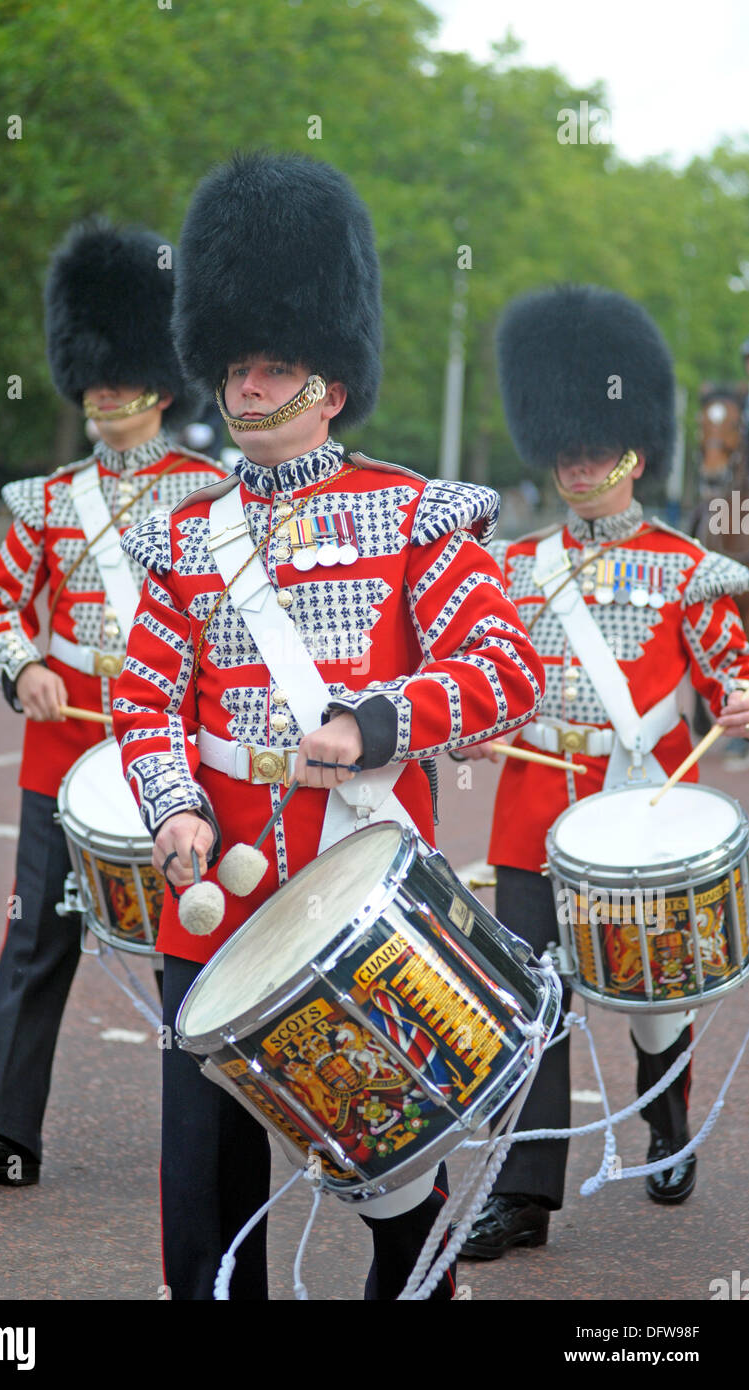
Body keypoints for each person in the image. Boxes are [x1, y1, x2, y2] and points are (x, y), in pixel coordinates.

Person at [112, 152, 546, 1300]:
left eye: (272, 370)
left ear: (330, 386)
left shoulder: (414, 513)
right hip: (219, 891)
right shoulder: (183, 536)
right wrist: (172, 811)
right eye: (235, 370)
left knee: (392, 1160)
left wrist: (374, 720)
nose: (244, 390)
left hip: (360, 880)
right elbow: (143, 696)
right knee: (204, 1174)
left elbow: (508, 669)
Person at [0, 217, 225, 1187]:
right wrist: (22, 669)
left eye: (118, 372)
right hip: (62, 756)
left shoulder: (210, 493)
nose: (101, 390)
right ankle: (3, 1133)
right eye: (89, 373)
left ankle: (225, 1139)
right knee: (35, 940)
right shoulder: (47, 500)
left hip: (171, 754)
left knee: (206, 939)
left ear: (158, 380)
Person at [459, 284, 749, 1260]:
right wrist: (465, 724)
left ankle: (665, 1121)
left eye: (597, 447)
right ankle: (524, 1194)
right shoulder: (510, 569)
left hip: (644, 814)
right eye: (568, 448)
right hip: (531, 809)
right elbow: (488, 678)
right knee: (528, 1002)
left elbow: (726, 669)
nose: (580, 463)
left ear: (634, 452)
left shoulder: (684, 567)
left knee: (651, 998)